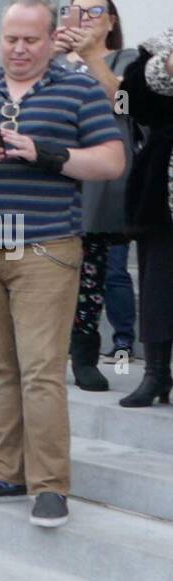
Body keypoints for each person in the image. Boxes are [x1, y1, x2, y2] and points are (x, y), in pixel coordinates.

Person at [0, 0, 125, 528]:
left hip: (46, 247)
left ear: (50, 38)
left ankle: (50, 485)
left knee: (41, 372)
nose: (18, 48)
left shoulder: (78, 90)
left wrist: (46, 153)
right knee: (2, 369)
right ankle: (9, 472)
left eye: (30, 40)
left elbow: (111, 160)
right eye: (11, 38)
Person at [53, 0, 140, 390]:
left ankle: (86, 354)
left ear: (111, 21)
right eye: (74, 10)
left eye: (92, 11)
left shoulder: (128, 59)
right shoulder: (54, 62)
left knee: (94, 272)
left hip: (102, 182)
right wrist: (47, 54)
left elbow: (125, 106)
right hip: (53, 179)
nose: (82, 18)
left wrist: (91, 59)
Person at [117, 28, 173, 407]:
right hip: (162, 186)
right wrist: (167, 65)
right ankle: (155, 374)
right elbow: (131, 102)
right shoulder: (158, 47)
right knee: (157, 284)